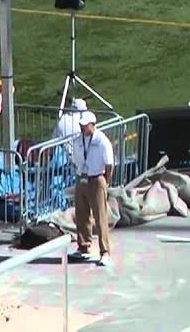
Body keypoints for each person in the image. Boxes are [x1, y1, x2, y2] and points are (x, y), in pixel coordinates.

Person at [70, 111, 114, 266]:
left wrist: (105, 182)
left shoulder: (102, 141)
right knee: (81, 215)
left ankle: (105, 251)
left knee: (100, 216)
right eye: (81, 125)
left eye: (85, 125)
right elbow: (76, 159)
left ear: (93, 125)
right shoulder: (78, 141)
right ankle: (83, 246)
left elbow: (109, 164)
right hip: (81, 177)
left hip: (96, 178)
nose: (82, 128)